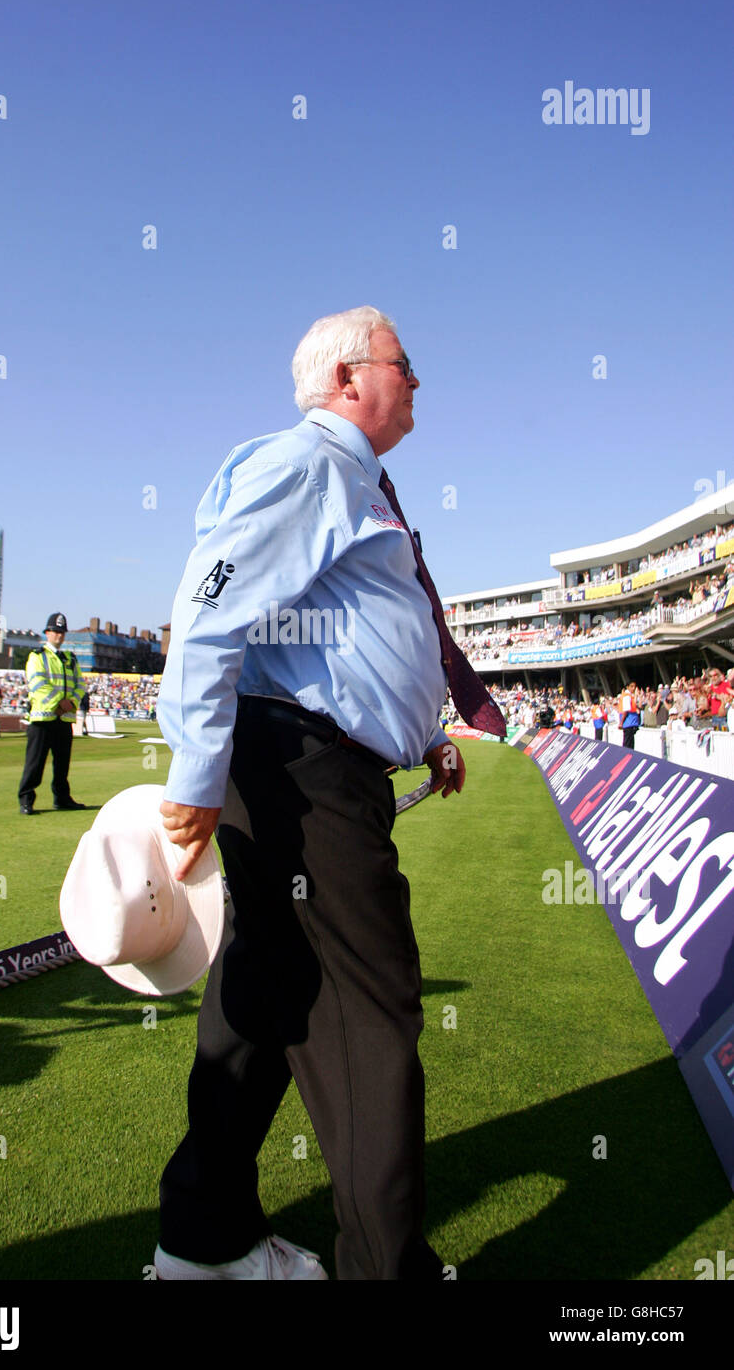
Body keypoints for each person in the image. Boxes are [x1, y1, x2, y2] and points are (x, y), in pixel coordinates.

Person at [153, 305, 501, 1283]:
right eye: (405, 363)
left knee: (264, 1001)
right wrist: (190, 780)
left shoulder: (351, 480)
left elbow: (351, 632)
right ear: (349, 379)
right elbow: (208, 611)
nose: (418, 380)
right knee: (369, 1009)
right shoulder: (310, 464)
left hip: (306, 761)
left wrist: (423, 733)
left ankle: (202, 1241)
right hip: (298, 773)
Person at [17, 613, 86, 814]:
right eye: (55, 631)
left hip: (63, 719)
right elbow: (38, 684)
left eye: (62, 632)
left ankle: (62, 798)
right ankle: (26, 799)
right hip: (42, 718)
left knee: (62, 764)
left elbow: (80, 684)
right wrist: (59, 703)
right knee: (35, 763)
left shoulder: (70, 658)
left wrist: (71, 702)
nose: (59, 636)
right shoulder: (37, 656)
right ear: (47, 633)